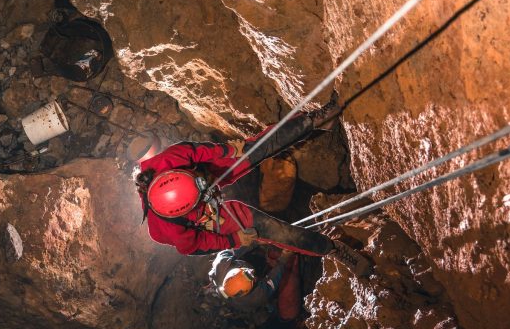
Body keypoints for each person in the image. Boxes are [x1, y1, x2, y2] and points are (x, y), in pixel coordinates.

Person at [133, 100, 370, 274]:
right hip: (210, 217)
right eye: (199, 187)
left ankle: (315, 120)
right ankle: (332, 249)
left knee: (257, 148)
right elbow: (199, 244)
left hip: (207, 169)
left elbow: (197, 151)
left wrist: (229, 150)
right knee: (275, 232)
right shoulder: (167, 230)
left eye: (194, 180)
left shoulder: (165, 161)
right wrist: (234, 240)